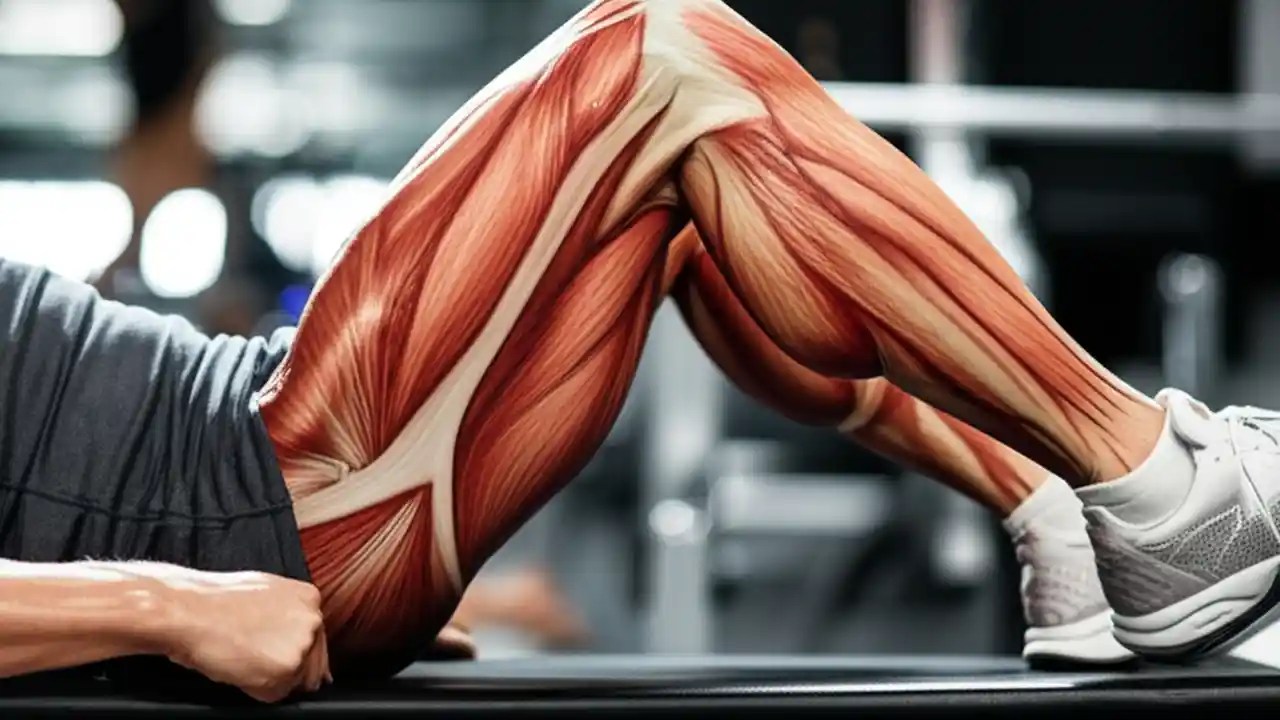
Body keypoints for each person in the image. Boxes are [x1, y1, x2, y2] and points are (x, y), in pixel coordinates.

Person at [3, 0, 1279, 701]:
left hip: (234, 473)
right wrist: (168, 603)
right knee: (662, 59)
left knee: (683, 217)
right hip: (245, 488)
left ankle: (1062, 518)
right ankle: (1166, 494)